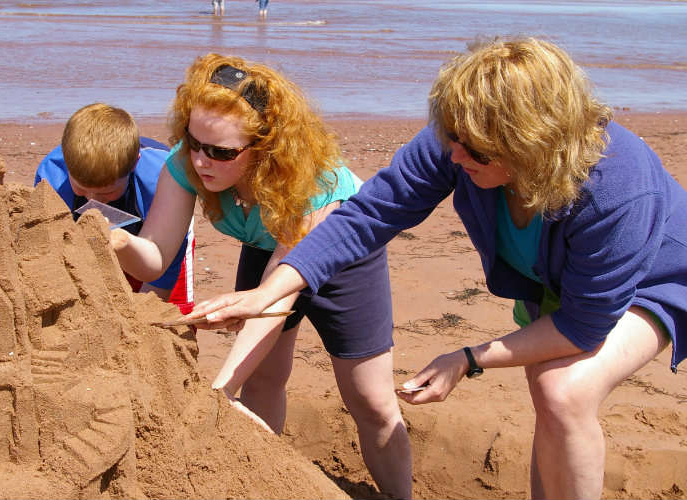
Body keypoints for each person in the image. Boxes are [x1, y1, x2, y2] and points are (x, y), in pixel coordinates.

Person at [192, 37, 687, 499]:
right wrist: (270, 292)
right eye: (451, 136)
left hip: (656, 278)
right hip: (558, 277)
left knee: (563, 391)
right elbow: (370, 213)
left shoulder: (618, 190)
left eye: (472, 150)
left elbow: (583, 326)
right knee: (548, 392)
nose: (454, 155)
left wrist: (466, 358)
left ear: (531, 145)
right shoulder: (465, 137)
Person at [110, 53, 413, 499]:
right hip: (266, 249)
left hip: (345, 259)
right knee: (263, 380)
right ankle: (262, 483)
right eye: (194, 142)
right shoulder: (188, 163)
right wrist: (119, 242)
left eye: (221, 152)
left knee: (370, 401)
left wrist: (219, 388)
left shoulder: (307, 180)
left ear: (265, 146)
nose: (202, 160)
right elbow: (154, 257)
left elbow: (276, 296)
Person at [35, 103, 195, 314]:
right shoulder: (52, 176)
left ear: (134, 165)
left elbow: (165, 267)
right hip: (88, 240)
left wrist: (146, 315)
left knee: (167, 315)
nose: (94, 201)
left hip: (158, 237)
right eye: (82, 190)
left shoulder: (163, 178)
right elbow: (53, 251)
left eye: (106, 193)